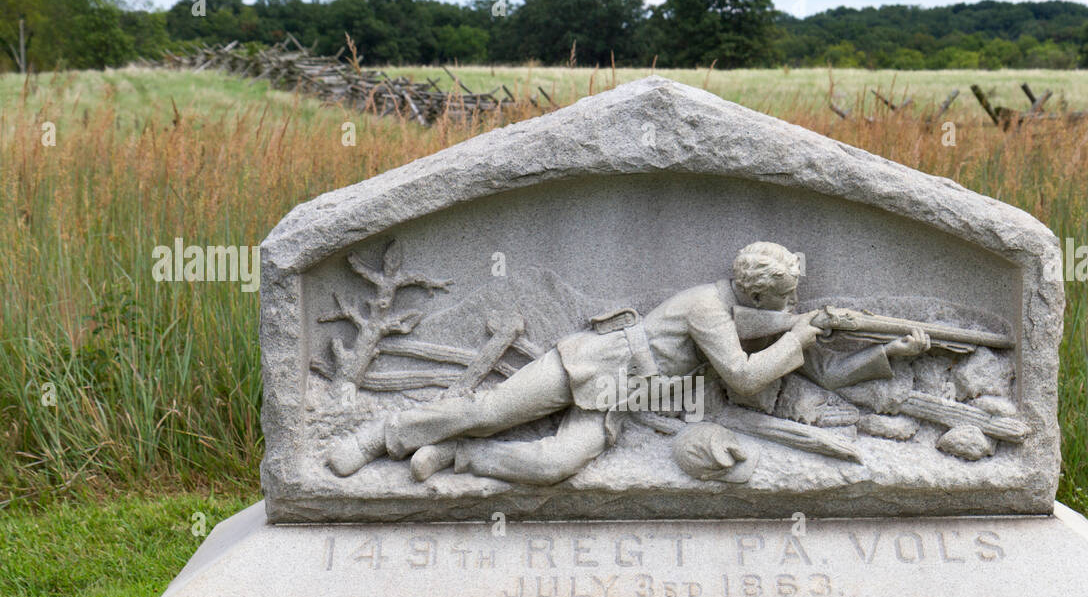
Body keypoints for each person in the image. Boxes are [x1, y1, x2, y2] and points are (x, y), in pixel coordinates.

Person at [326, 241, 926, 484]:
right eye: (784, 300)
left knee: (555, 464)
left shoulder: (744, 314)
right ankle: (384, 435)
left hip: (624, 398)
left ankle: (456, 456)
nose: (792, 307)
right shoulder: (706, 309)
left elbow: (771, 357)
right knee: (488, 408)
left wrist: (877, 347)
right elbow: (744, 379)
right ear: (758, 294)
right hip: (596, 362)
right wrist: (796, 338)